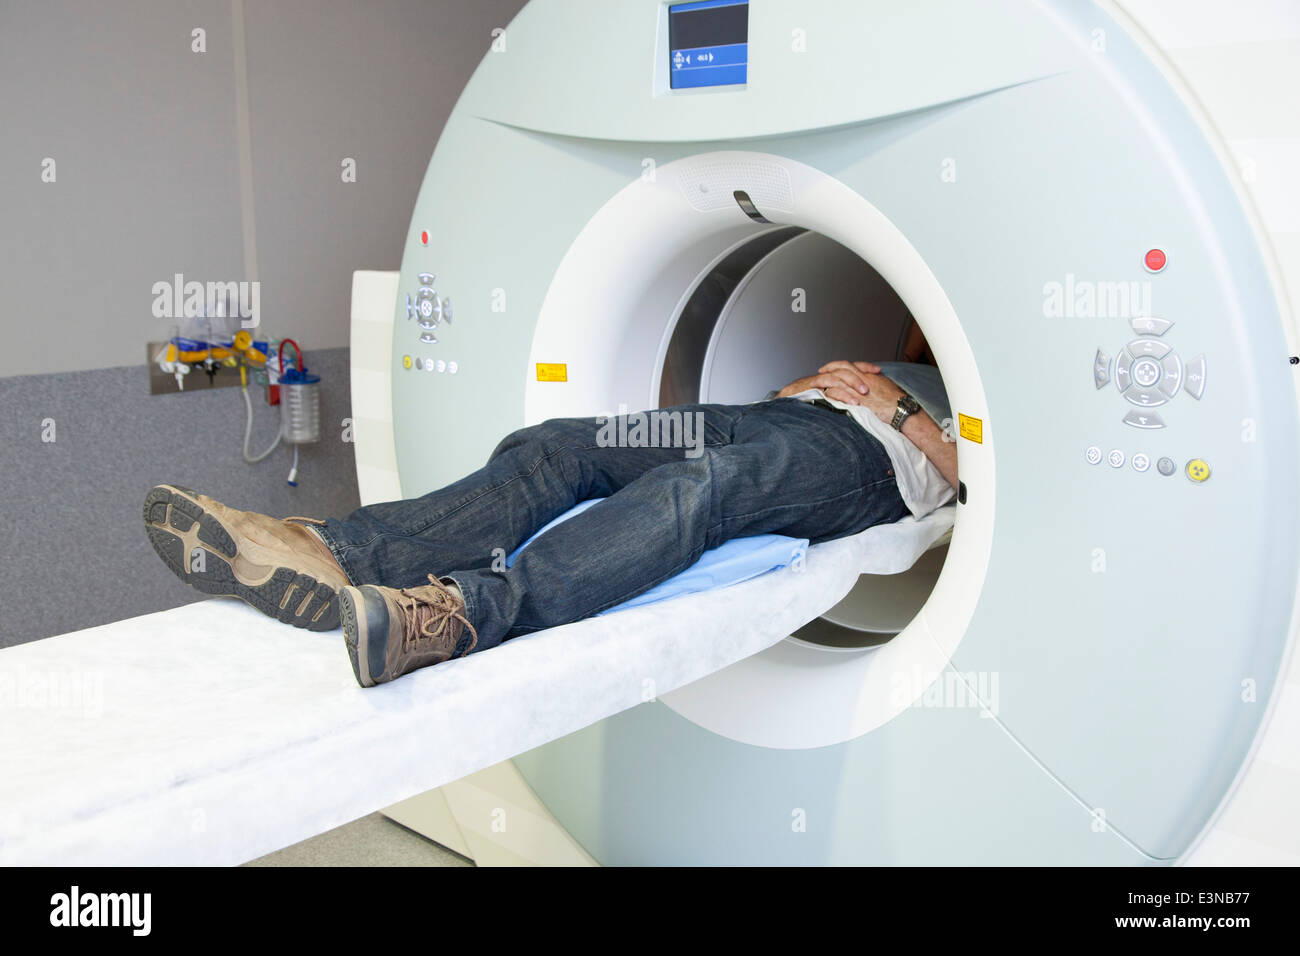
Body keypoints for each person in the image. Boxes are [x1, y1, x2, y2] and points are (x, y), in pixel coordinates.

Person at [143, 336, 957, 688]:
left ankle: (457, 616)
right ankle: (336, 552)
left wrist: (897, 409)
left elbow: (983, 480)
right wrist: (809, 385)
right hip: (779, 411)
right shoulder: (884, 343)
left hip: (871, 460)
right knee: (563, 444)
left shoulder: (980, 388)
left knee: (706, 485)